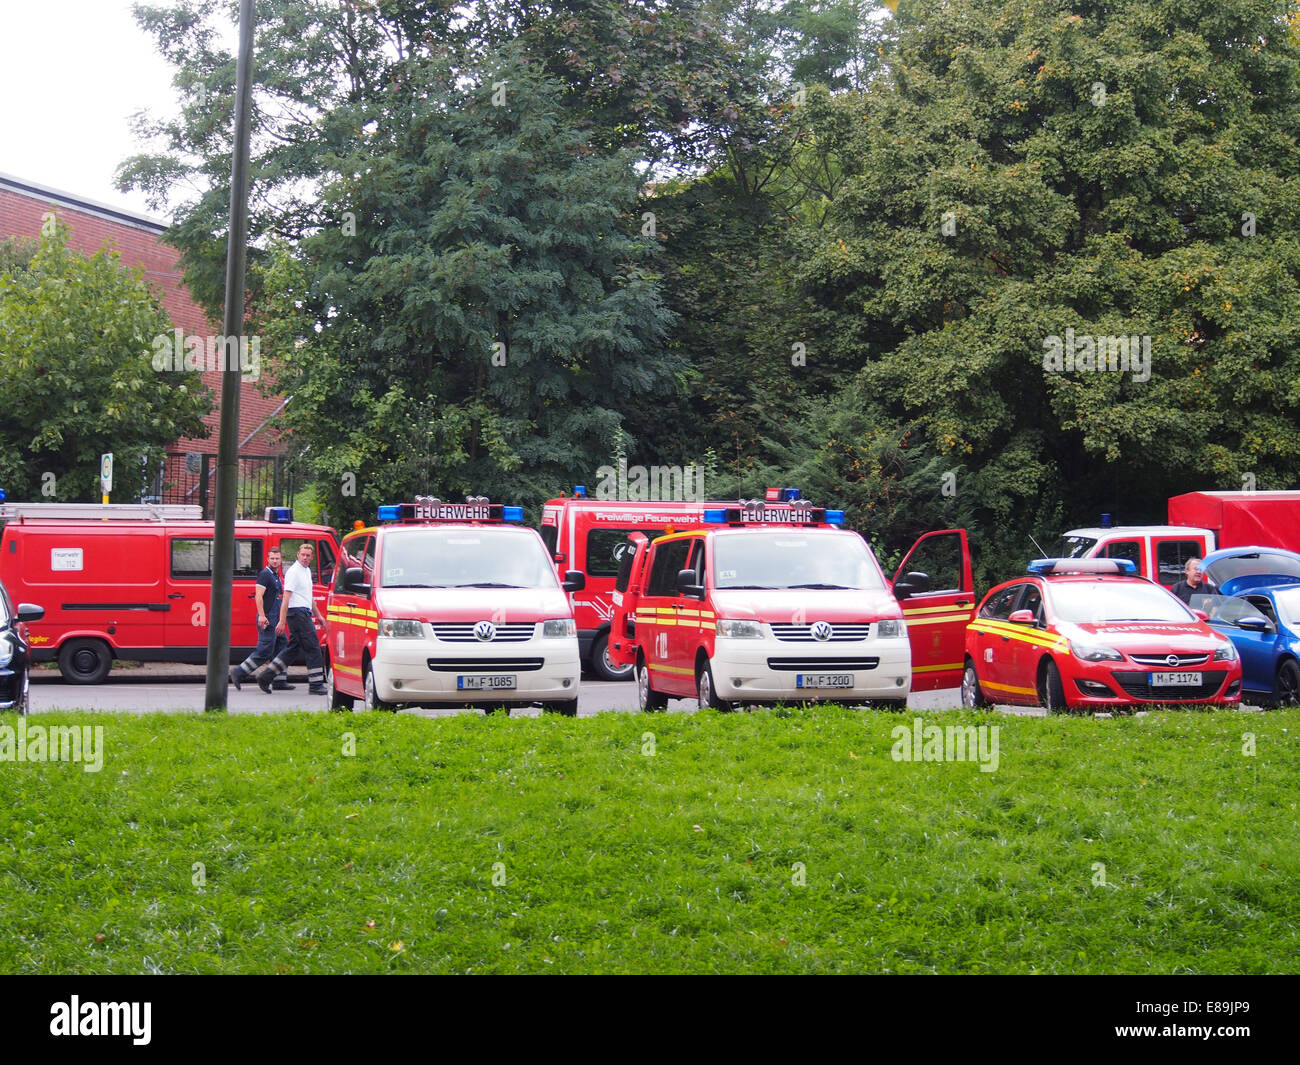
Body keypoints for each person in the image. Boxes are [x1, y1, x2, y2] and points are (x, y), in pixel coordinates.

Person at [256, 542, 328, 695]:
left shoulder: (306, 571)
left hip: (303, 612)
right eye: (303, 555)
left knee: (293, 649)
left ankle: (265, 676)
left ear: (312, 557)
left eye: (308, 555)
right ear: (298, 555)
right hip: (297, 614)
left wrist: (319, 615)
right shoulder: (294, 572)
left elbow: (309, 597)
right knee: (313, 647)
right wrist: (282, 621)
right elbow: (286, 599)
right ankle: (315, 685)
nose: (305, 558)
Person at [229, 545, 294, 690]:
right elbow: (258, 596)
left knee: (282, 645)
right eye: (272, 558)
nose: (275, 561)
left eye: (277, 558)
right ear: (268, 559)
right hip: (268, 618)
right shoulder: (265, 574)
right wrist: (262, 616)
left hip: (275, 617)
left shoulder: (275, 575)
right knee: (265, 650)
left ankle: (279, 681)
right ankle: (238, 672)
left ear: (281, 559)